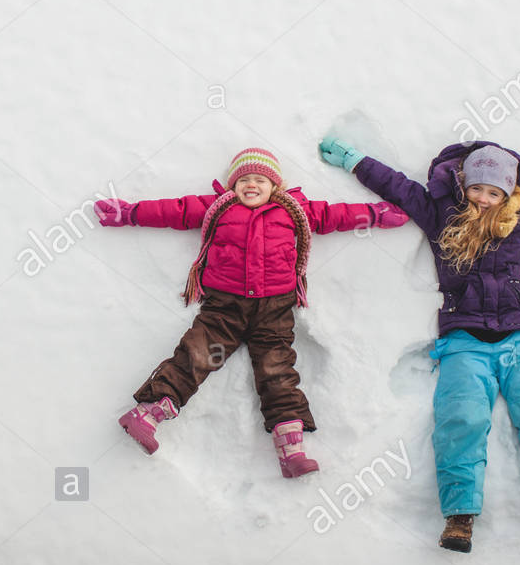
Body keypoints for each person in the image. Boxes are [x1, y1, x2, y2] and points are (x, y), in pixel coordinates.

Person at [319, 136, 520, 550]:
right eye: (477, 189)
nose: (484, 199)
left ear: (508, 192)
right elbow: (395, 185)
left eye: (494, 191)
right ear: (463, 184)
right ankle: (460, 516)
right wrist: (354, 159)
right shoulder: (439, 213)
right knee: (461, 419)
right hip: (463, 337)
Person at [95, 147, 407, 477]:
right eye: (244, 179)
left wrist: (376, 214)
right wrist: (128, 213)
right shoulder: (217, 206)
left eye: (261, 179)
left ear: (276, 186)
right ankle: (147, 414)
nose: (252, 185)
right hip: (224, 309)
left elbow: (336, 215)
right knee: (197, 355)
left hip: (274, 312)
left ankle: (290, 447)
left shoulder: (296, 210)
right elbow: (174, 210)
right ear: (233, 185)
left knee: (277, 370)